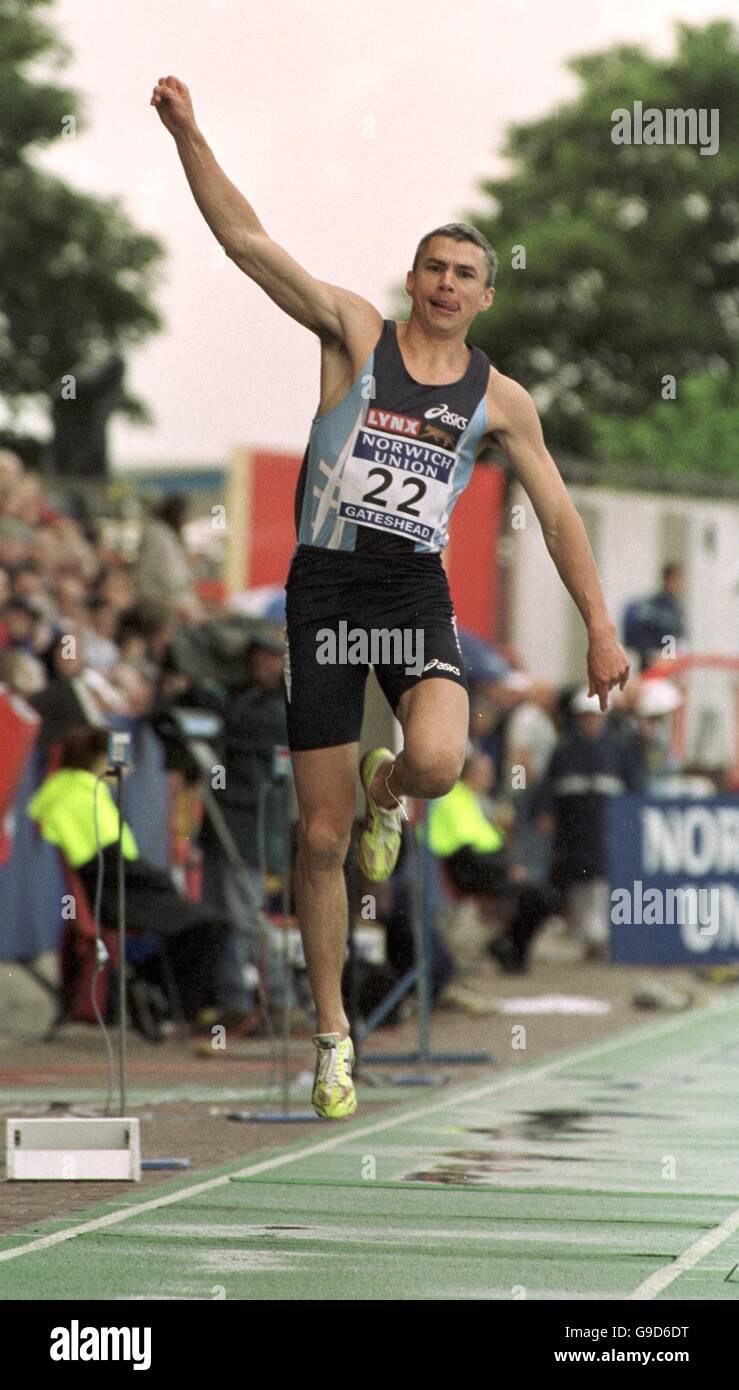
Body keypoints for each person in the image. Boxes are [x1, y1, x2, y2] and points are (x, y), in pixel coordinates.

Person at [152, 75, 630, 1118]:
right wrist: (192, 133)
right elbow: (246, 242)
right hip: (325, 586)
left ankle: (387, 791)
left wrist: (599, 627)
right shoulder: (353, 335)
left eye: (467, 273)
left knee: (440, 762)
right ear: (411, 277)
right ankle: (332, 1035)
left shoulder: (501, 400)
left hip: (411, 587)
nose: (448, 284)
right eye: (435, 267)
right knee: (317, 840)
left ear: (486, 295)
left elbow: (554, 514)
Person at [27, 726, 246, 1027]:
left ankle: (150, 992)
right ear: (99, 759)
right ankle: (165, 1002)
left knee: (202, 923)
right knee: (213, 926)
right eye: (118, 758)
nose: (126, 767)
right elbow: (107, 862)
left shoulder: (69, 789)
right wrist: (161, 881)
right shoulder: (82, 795)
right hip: (117, 897)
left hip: (125, 888)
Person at [535, 689, 644, 956]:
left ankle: (599, 933)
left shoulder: (618, 748)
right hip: (574, 824)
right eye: (585, 717)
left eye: (594, 717)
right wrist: (544, 811)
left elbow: (634, 786)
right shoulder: (564, 749)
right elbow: (549, 785)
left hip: (606, 823)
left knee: (601, 877)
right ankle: (584, 933)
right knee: (578, 876)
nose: (589, 722)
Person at [622, 563, 686, 671]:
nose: (680, 585)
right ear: (667, 579)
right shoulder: (652, 607)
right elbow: (640, 633)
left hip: (668, 661)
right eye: (677, 580)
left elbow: (674, 636)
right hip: (652, 662)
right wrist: (650, 653)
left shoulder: (675, 608)